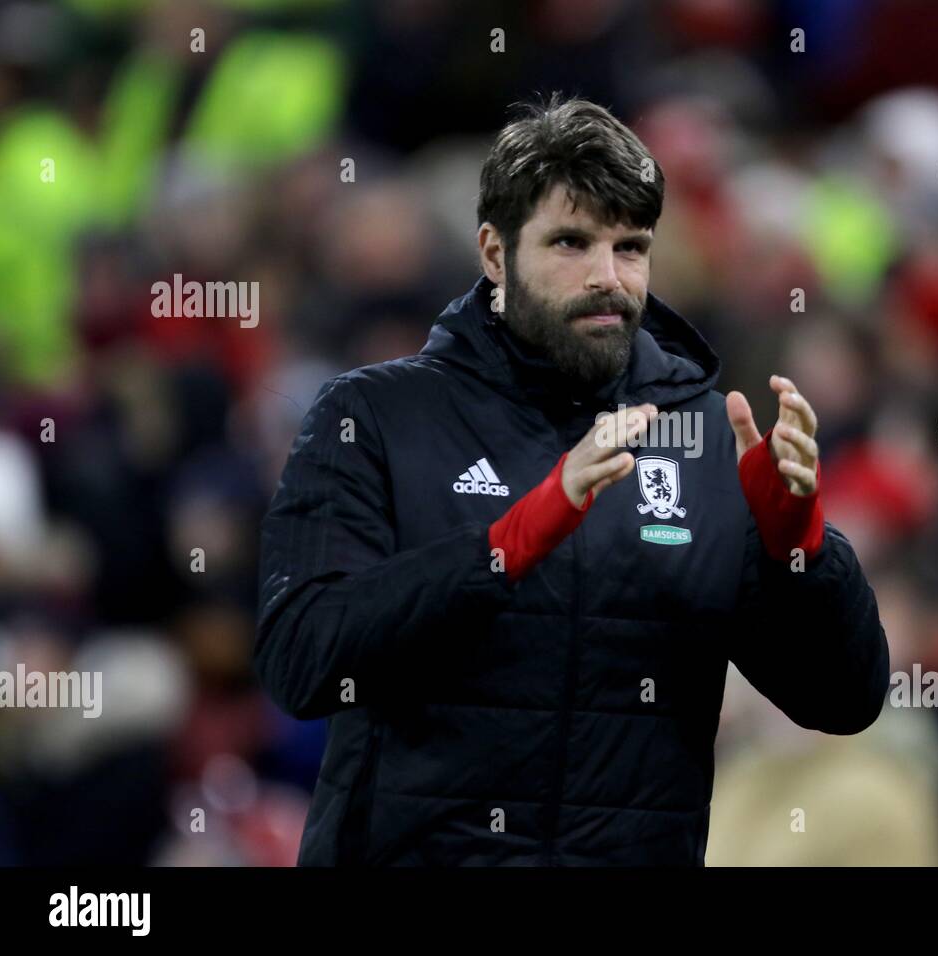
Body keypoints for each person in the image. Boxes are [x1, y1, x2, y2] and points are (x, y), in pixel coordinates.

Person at [254, 94, 890, 866]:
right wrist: (510, 543)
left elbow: (844, 701)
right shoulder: (375, 417)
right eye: (570, 242)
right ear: (494, 253)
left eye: (630, 247)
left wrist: (803, 552)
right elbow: (302, 659)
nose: (607, 277)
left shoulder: (702, 436)